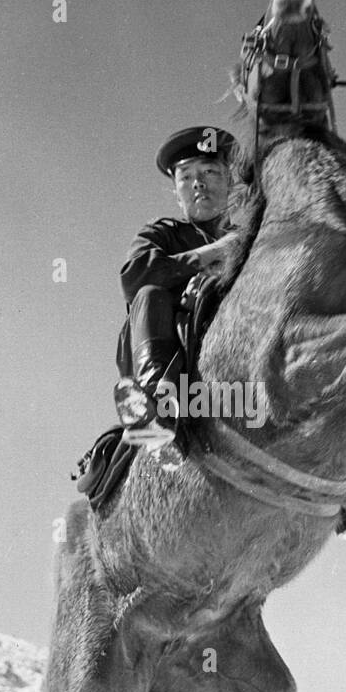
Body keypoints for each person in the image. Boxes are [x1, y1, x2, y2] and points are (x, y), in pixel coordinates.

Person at [114, 127, 239, 463]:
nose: (198, 183)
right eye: (186, 177)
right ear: (177, 192)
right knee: (150, 293)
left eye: (210, 172)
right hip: (172, 354)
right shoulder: (161, 234)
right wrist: (215, 251)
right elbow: (134, 277)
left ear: (230, 182)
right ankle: (154, 406)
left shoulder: (253, 239)